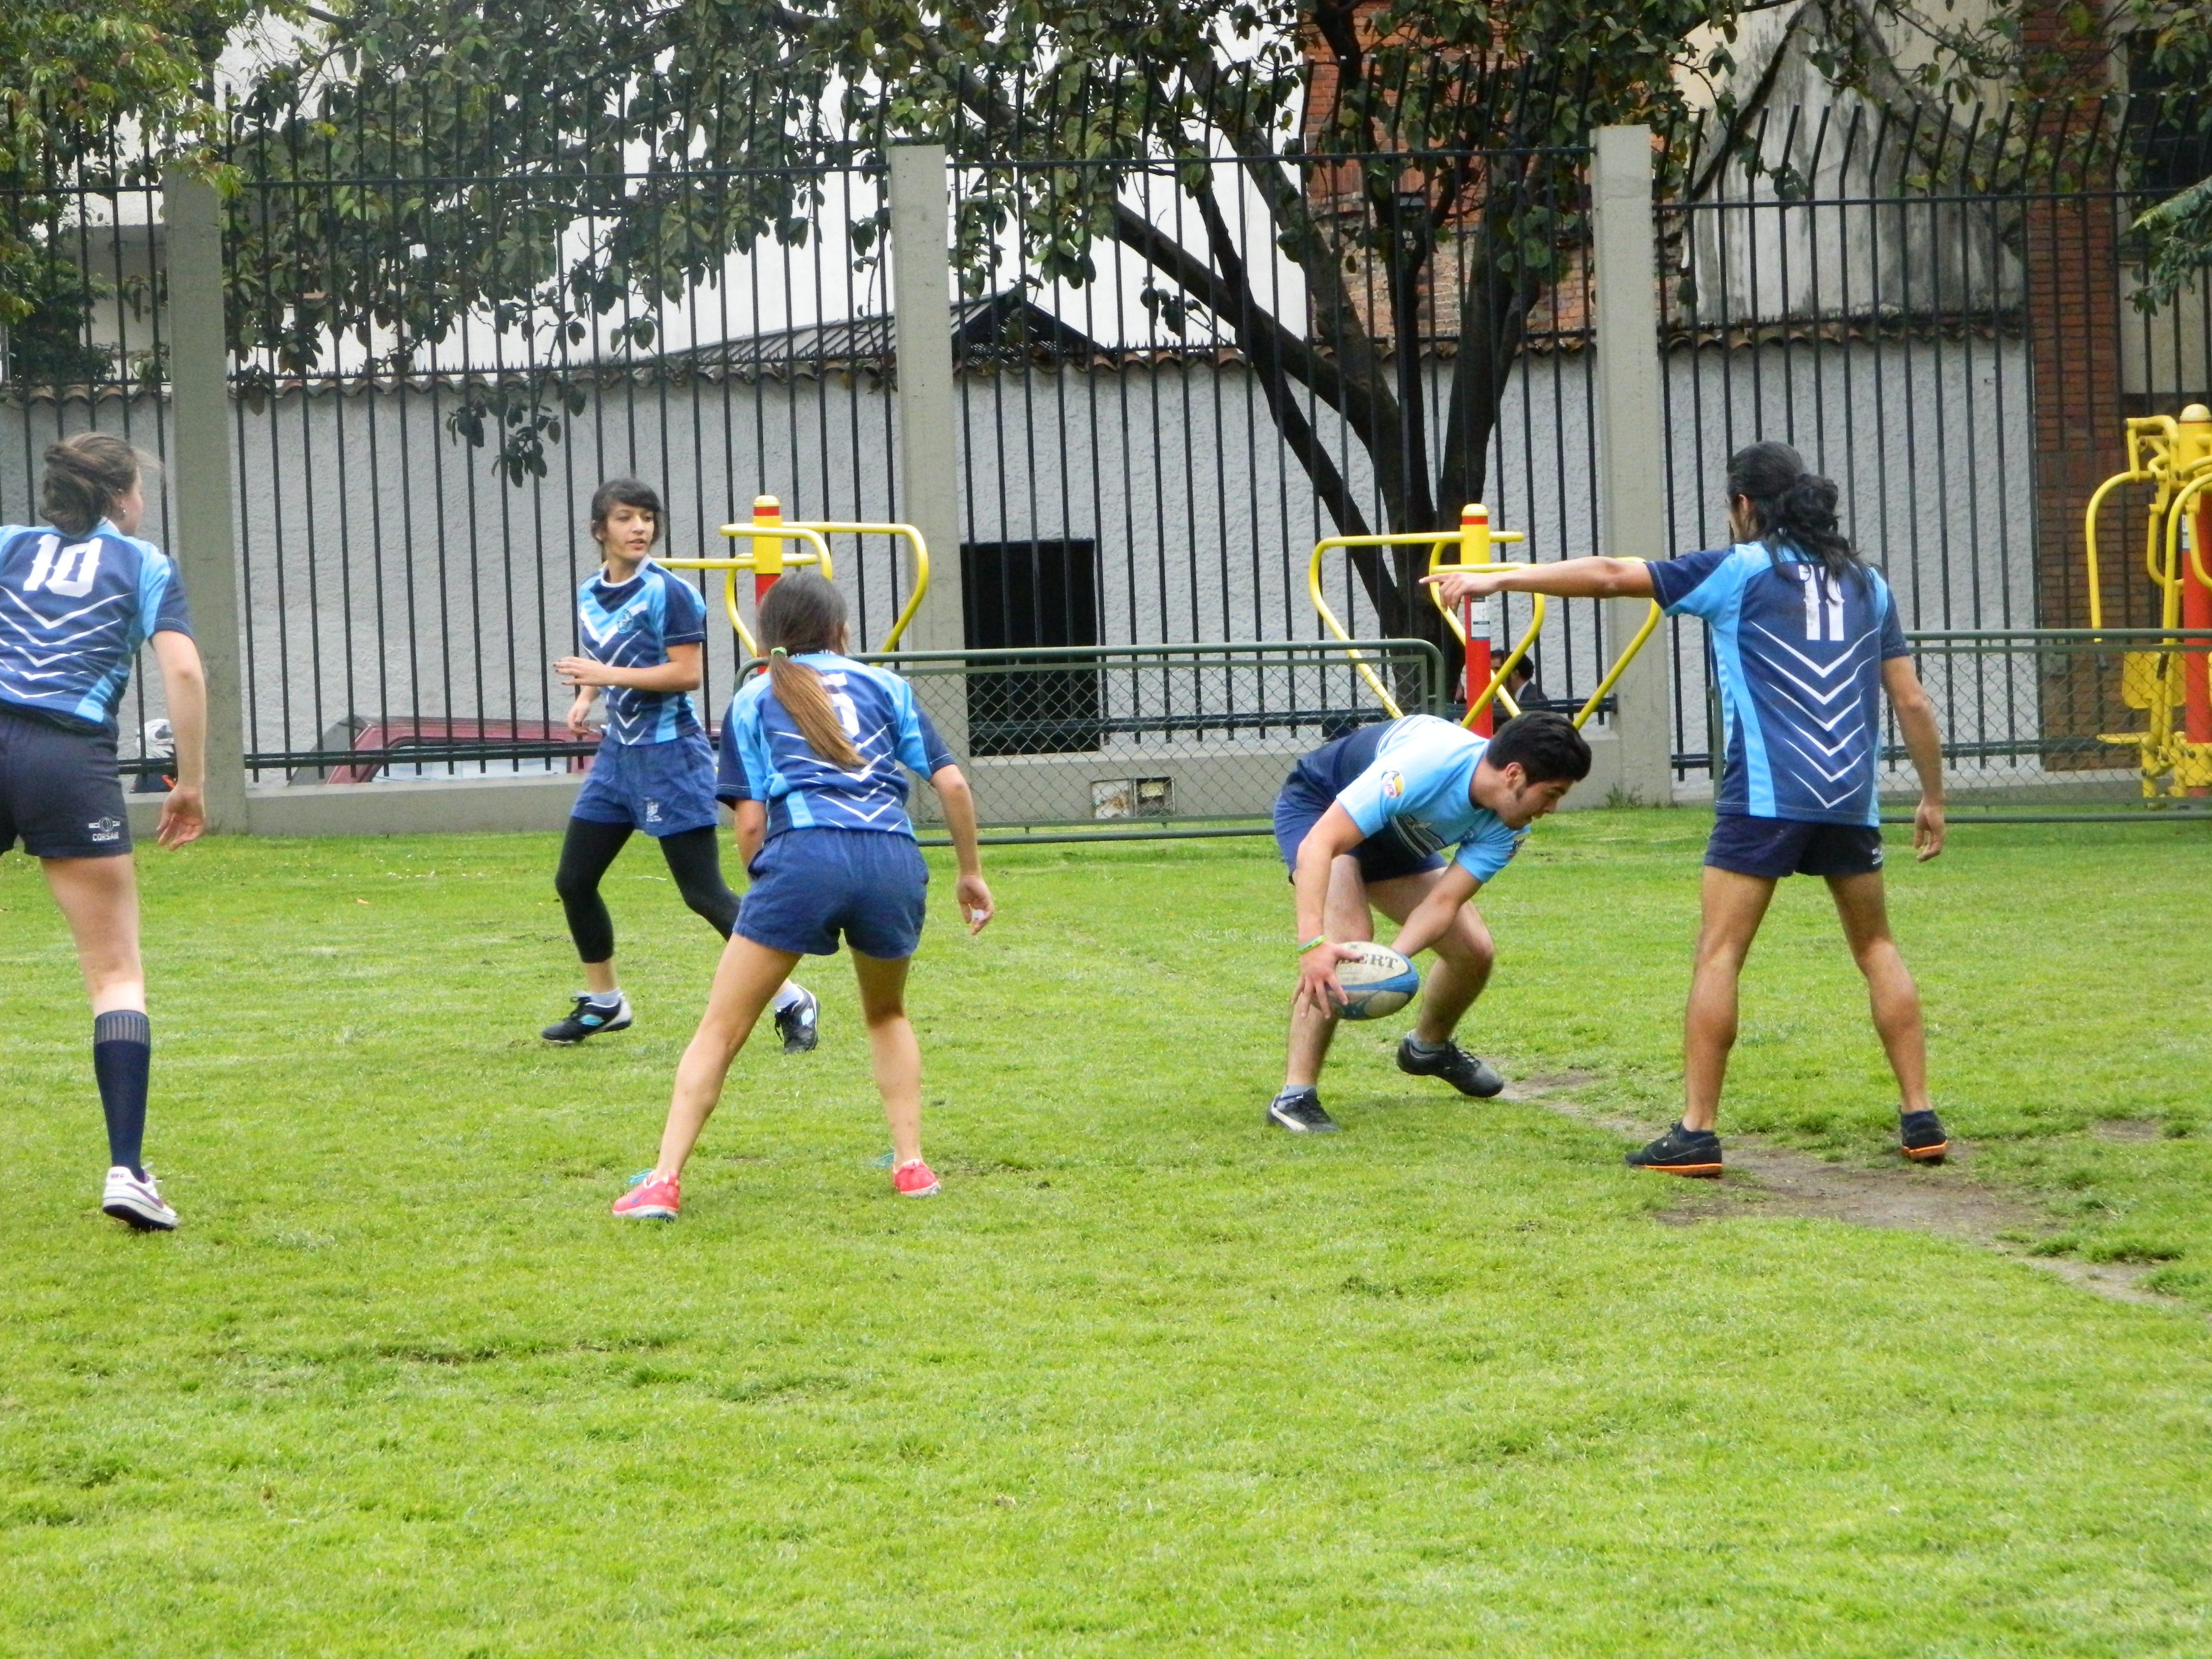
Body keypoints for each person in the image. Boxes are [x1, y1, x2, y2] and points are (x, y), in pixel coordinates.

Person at [1430, 440, 1949, 1175]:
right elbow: (1913, 700)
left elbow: (1613, 575)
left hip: (1765, 797)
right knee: (1876, 948)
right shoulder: (1870, 584)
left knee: (1721, 953)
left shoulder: (1737, 571)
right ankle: (1921, 1116)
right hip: (1848, 797)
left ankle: (1697, 1131)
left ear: (1743, 506)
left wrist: (1501, 577)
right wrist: (1931, 794)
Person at [612, 572, 994, 1218]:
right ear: (841, 631)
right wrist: (969, 873)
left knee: (722, 1028)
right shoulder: (888, 685)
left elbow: (751, 821)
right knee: (887, 1014)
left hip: (806, 857)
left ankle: (663, 1182)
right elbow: (953, 786)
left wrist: (775, 881)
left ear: (769, 638)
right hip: (892, 861)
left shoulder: (755, 697)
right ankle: (911, 1164)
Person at [1, 434, 208, 1229]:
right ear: (123, 497)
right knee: (116, 973)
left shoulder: (10, 545)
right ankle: (126, 1169)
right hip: (68, 758)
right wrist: (189, 783)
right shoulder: (143, 563)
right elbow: (184, 671)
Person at [543, 478, 818, 1053]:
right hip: (618, 758)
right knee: (574, 880)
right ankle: (605, 1002)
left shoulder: (670, 593)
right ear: (600, 531)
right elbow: (604, 651)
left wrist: (604, 680)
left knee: (703, 893)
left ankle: (792, 997)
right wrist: (586, 698)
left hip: (672, 757)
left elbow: (685, 674)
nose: (639, 527)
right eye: (625, 518)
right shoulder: (590, 591)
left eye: (646, 518)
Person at [1271, 709, 1593, 1134]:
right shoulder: (1425, 765)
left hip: (1398, 835)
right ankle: (1295, 1096)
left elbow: (1443, 902)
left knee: (1474, 951)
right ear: (1514, 774)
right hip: (1322, 807)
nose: (1552, 808)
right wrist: (1312, 945)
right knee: (1346, 944)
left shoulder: (1509, 826)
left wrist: (1390, 965)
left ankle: (1428, 1048)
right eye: (1551, 793)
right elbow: (1322, 843)